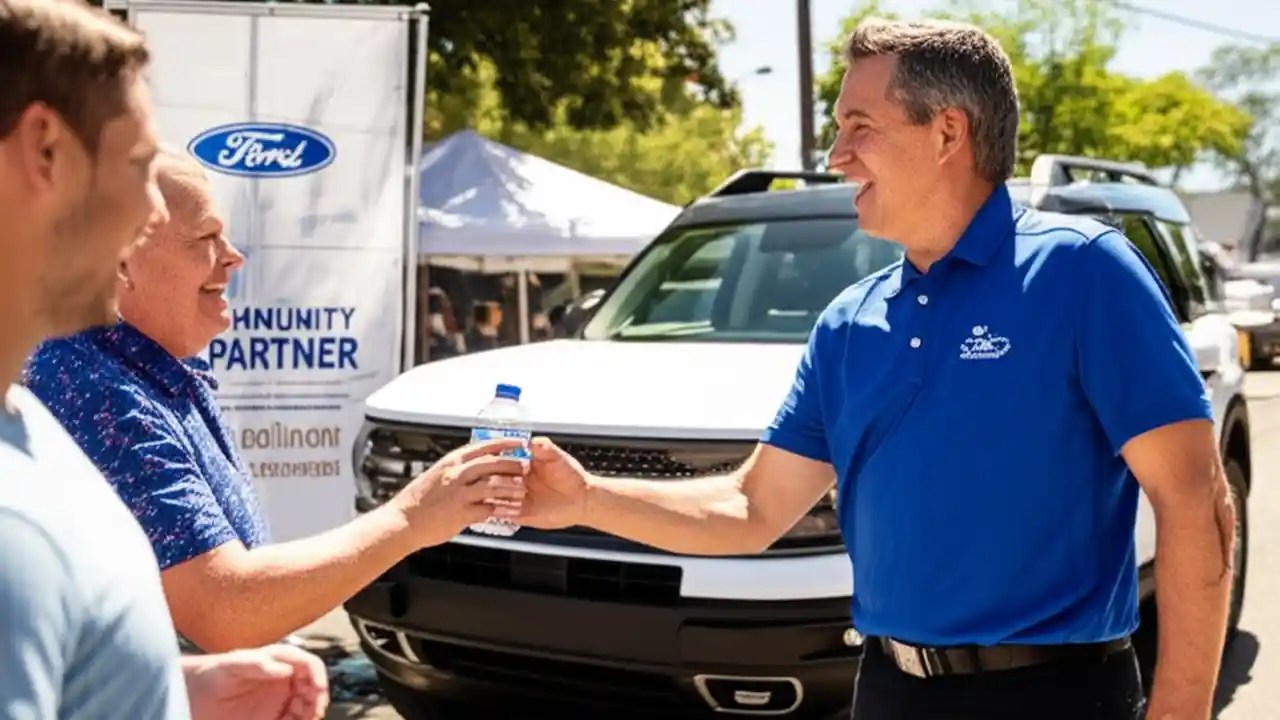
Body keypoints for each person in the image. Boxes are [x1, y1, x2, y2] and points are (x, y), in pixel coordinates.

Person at [516, 17, 1234, 720]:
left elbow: (1194, 499)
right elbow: (751, 508)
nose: (835, 155)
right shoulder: (847, 323)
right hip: (888, 690)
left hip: (1052, 693)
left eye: (860, 126)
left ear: (947, 132)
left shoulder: (1082, 270)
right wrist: (584, 499)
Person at [22, 145, 529, 654]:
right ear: (122, 261)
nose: (233, 255)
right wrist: (412, 517)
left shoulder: (130, 366)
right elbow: (225, 608)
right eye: (206, 237)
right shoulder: (98, 391)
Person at [0, 0, 327, 717]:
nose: (150, 216)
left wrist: (174, 690)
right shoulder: (14, 511)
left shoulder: (31, 424)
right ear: (45, 151)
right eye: (139, 166)